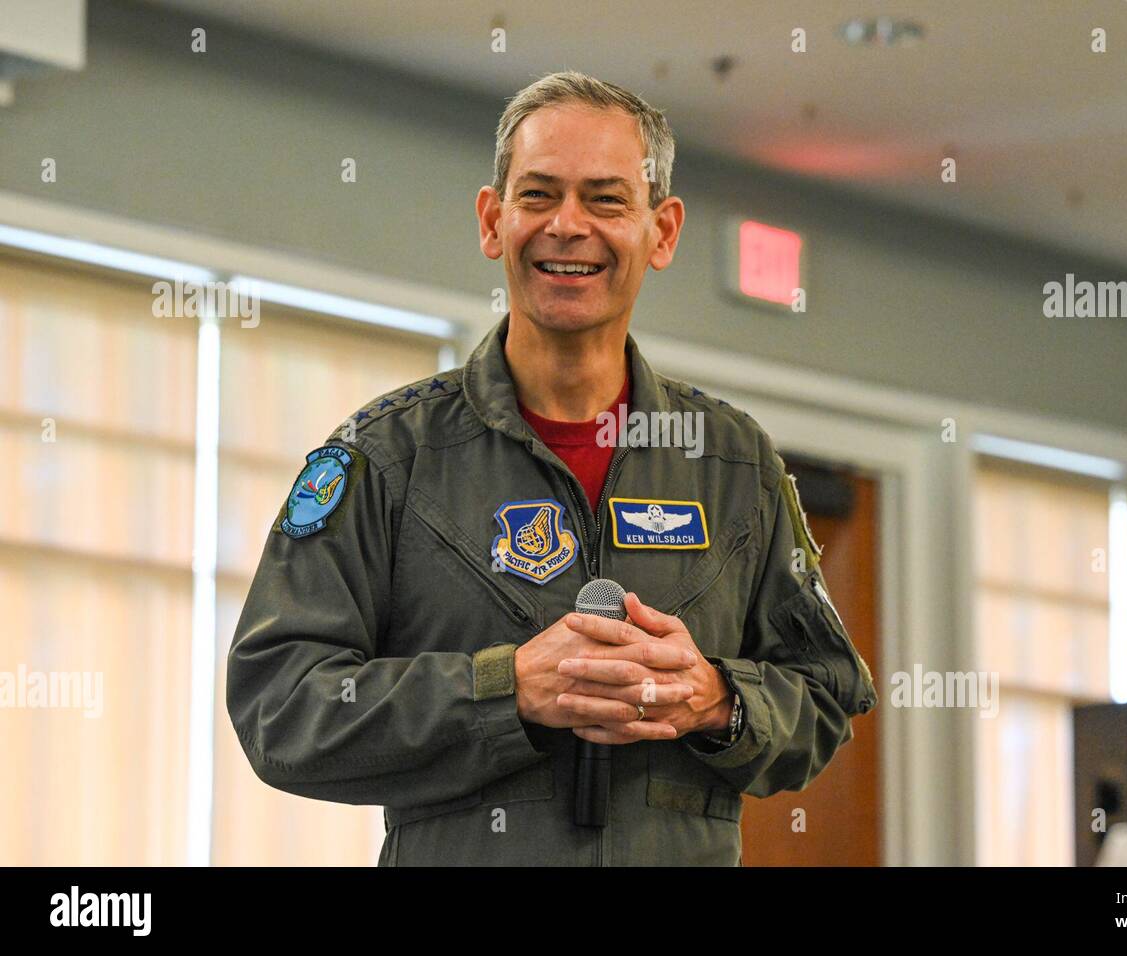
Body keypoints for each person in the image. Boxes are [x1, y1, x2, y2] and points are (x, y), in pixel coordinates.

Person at [226, 70, 877, 866]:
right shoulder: (385, 456)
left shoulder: (734, 464)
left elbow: (826, 697)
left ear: (662, 231)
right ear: (492, 221)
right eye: (538, 196)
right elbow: (280, 705)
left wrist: (716, 698)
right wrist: (506, 690)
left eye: (606, 200)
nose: (568, 227)